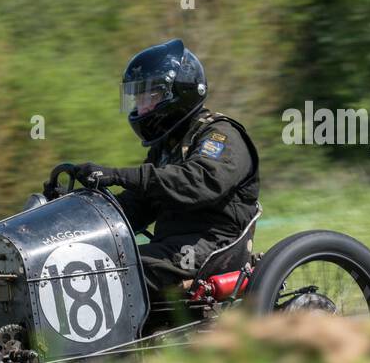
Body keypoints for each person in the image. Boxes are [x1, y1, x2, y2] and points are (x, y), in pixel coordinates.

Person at [72, 39, 260, 297]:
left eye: (150, 95)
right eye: (138, 97)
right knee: (82, 263)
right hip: (173, 247)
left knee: (117, 271)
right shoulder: (166, 147)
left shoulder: (220, 135)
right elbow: (137, 206)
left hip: (210, 248)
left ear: (179, 92)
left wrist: (116, 174)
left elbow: (197, 183)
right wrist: (79, 212)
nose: (142, 107)